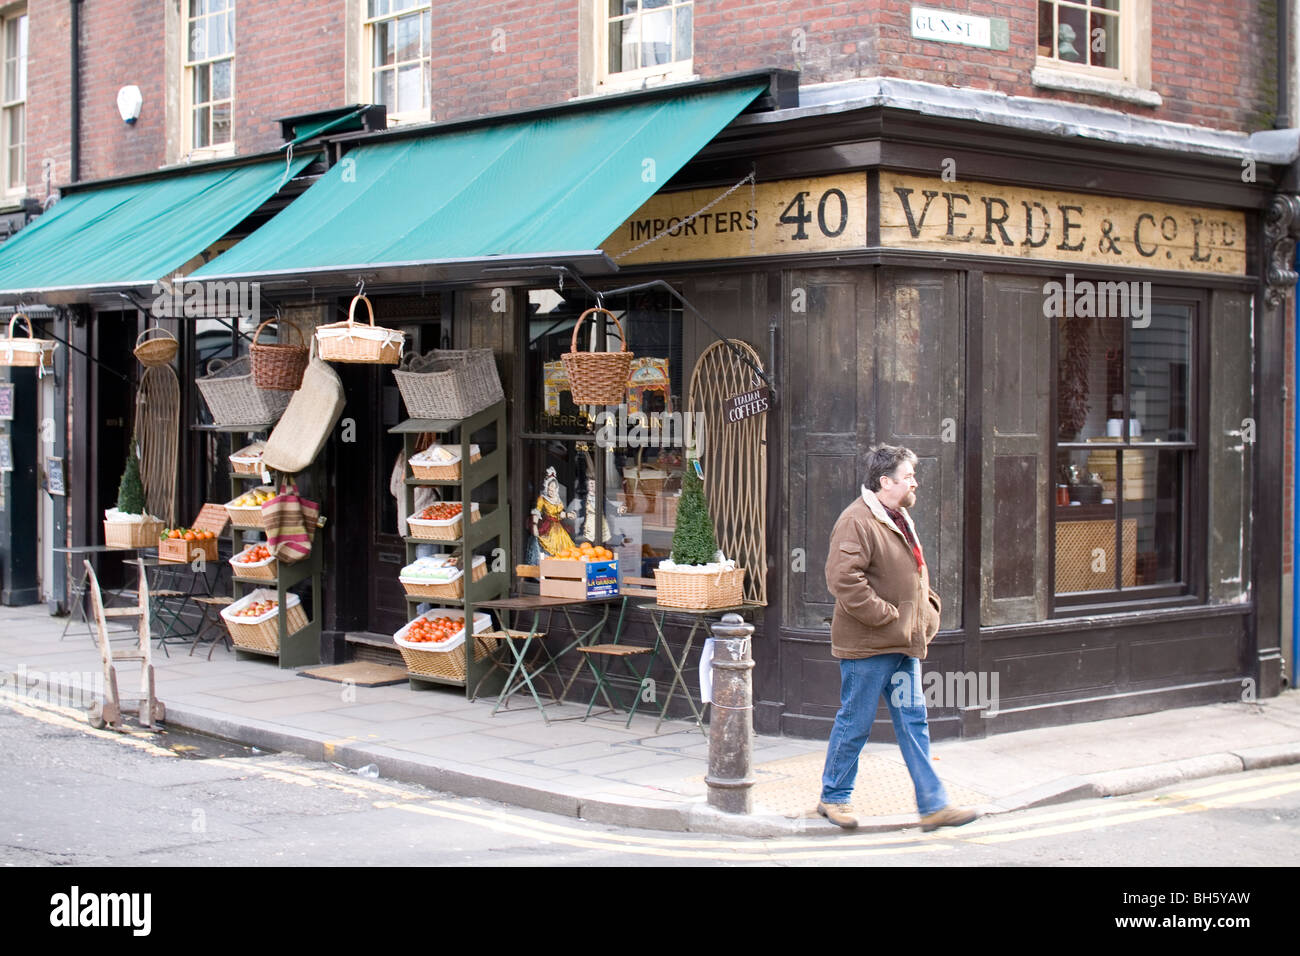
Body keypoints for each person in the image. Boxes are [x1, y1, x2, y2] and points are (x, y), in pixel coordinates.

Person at [817, 444, 980, 832]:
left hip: (902, 644)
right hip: (868, 647)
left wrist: (927, 607)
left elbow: (912, 572)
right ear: (885, 482)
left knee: (913, 722)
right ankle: (833, 798)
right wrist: (889, 616)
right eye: (908, 477)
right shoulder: (856, 520)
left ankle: (933, 805)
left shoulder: (897, 515)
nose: (914, 482)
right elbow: (843, 579)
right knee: (855, 722)